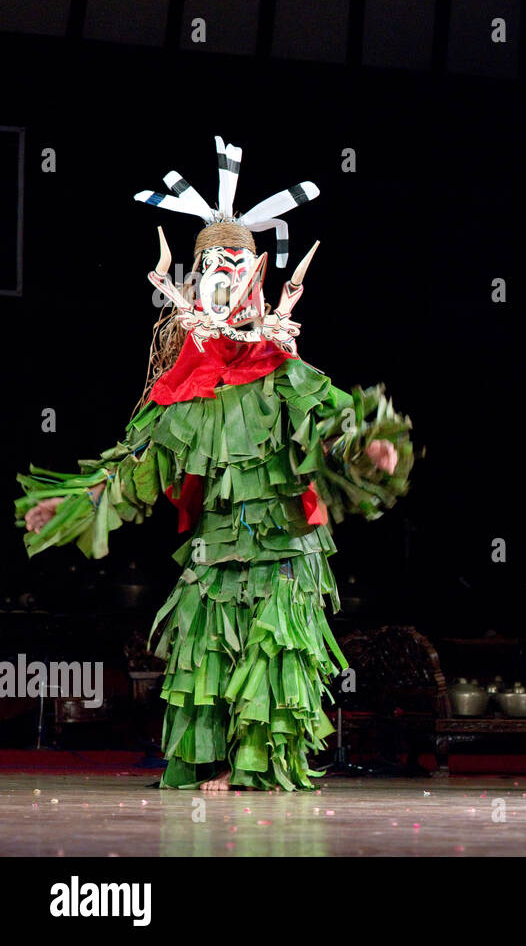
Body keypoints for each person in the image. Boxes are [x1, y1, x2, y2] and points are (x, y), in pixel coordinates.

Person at [17, 136, 414, 792]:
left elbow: (333, 421)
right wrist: (70, 505)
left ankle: (255, 768)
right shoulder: (182, 391)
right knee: (204, 651)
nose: (227, 289)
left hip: (286, 544)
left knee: (273, 650)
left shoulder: (285, 374)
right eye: (213, 276)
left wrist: (365, 447)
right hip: (215, 548)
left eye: (238, 275)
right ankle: (217, 762)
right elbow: (134, 466)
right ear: (195, 287)